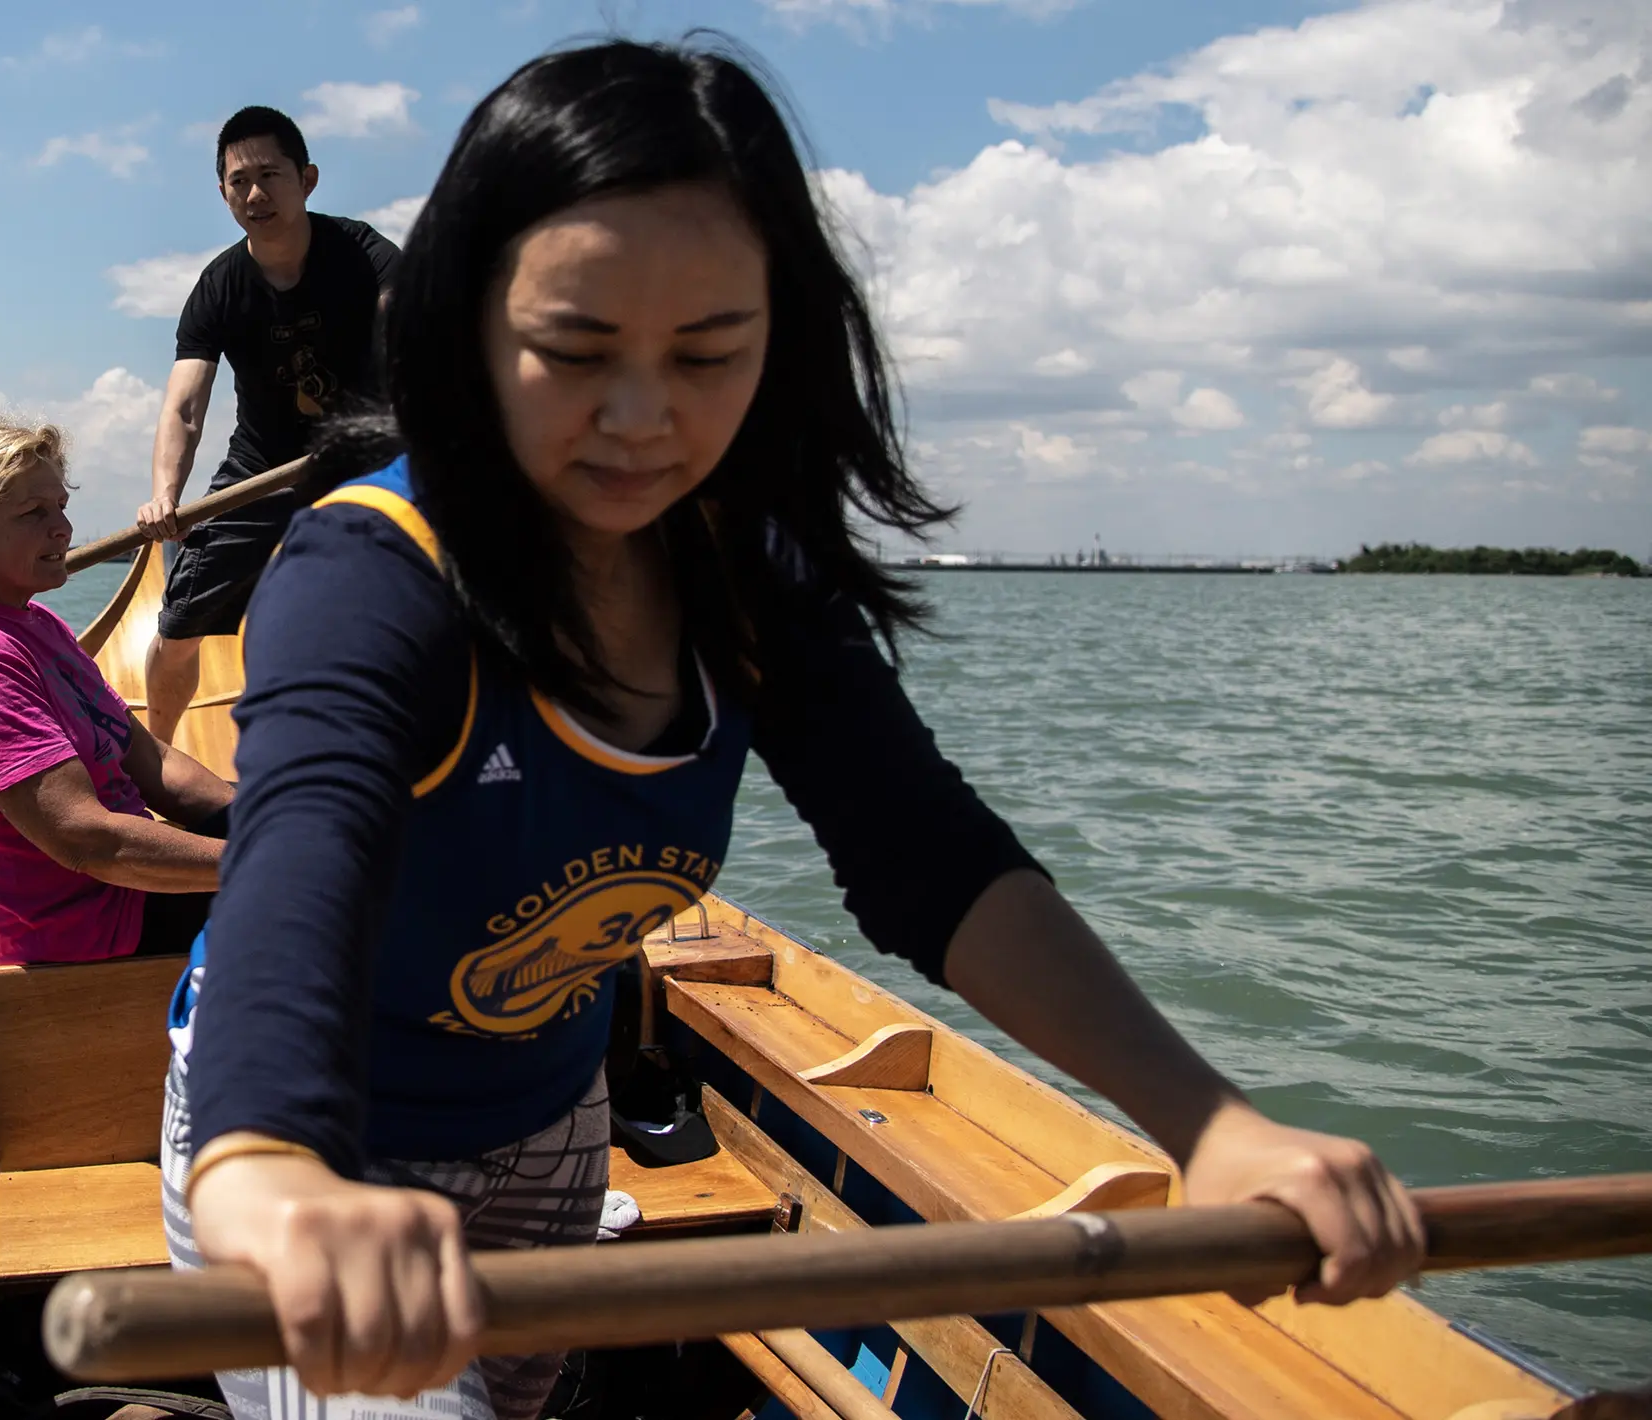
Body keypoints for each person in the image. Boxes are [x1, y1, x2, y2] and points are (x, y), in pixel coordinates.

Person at [162, 40, 1428, 1418]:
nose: (644, 419)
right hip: (313, 1152)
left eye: (707, 354)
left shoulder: (743, 570)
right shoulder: (370, 576)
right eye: (573, 352)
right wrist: (269, 1178)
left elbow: (927, 858)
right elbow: (293, 871)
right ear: (464, 330)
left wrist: (1212, 1122)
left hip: (546, 1127)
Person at [0, 415, 234, 968]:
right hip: (84, 932)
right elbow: (85, 840)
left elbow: (148, 758)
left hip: (122, 894)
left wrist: (258, 817)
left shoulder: (34, 622)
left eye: (61, 507)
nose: (62, 528)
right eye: (33, 513)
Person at [133, 104, 400, 743]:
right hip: (262, 470)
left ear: (306, 179)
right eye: (238, 181)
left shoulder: (366, 256)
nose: (255, 193)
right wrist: (166, 495)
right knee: (177, 629)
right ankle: (156, 774)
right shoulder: (220, 286)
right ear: (223, 193)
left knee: (425, 595)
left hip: (368, 460)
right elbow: (185, 406)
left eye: (270, 176)